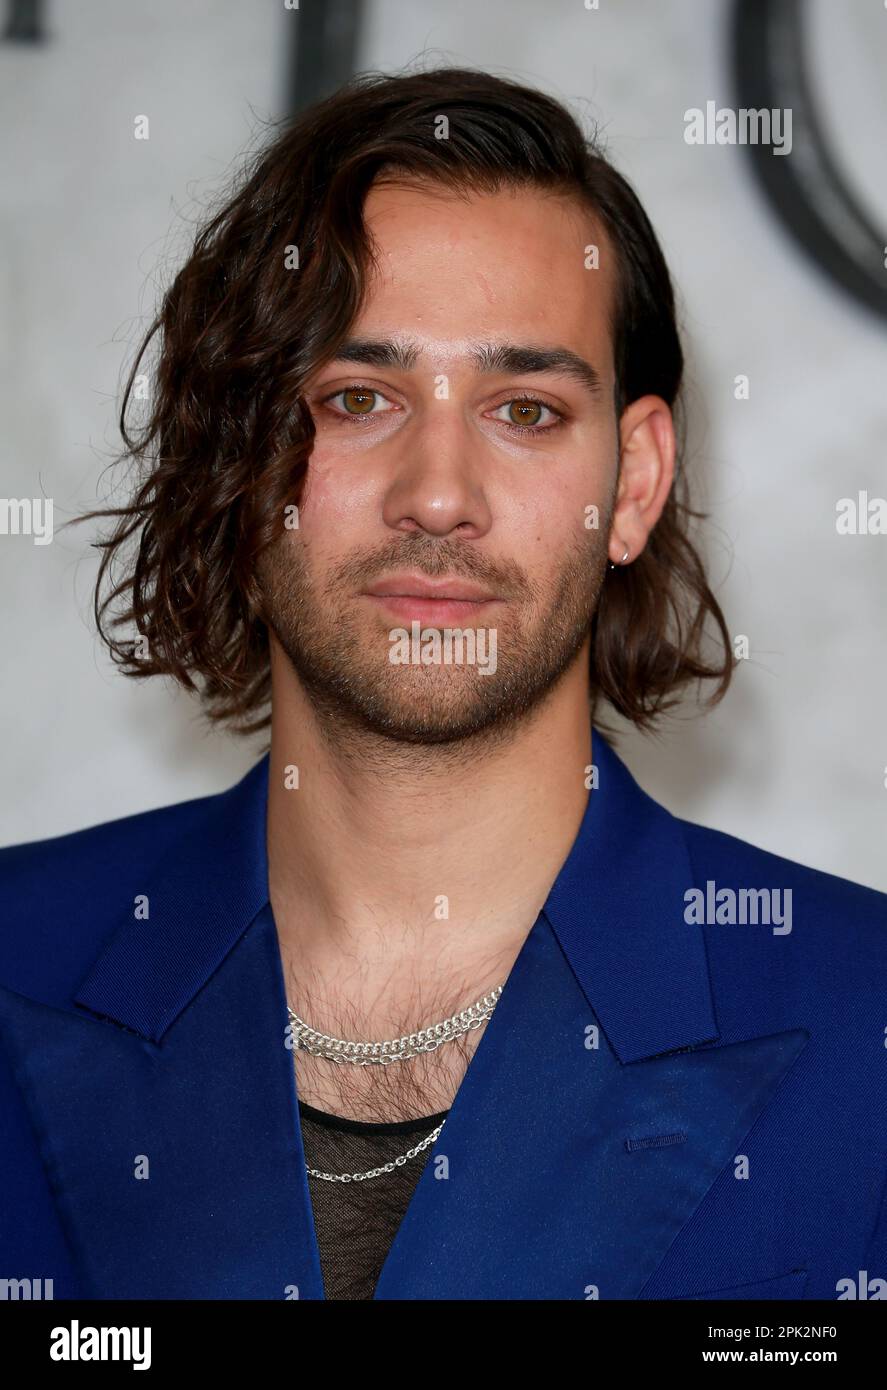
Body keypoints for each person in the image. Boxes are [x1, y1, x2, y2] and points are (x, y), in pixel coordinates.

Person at [1, 67, 885, 1303]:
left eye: (523, 410)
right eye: (356, 399)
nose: (436, 493)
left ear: (630, 484)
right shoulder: (17, 952)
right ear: (242, 454)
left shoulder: (866, 1031)